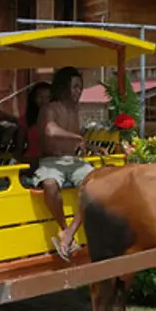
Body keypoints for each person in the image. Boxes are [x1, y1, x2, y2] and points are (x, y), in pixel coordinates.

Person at [32, 67, 104, 260]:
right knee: (49, 185)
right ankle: (64, 230)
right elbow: (50, 130)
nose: (78, 91)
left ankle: (70, 231)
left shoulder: (75, 110)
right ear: (64, 88)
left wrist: (91, 147)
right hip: (51, 161)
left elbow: (78, 141)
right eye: (75, 87)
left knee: (95, 186)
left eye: (80, 87)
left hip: (74, 161)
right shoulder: (50, 108)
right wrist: (76, 137)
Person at [15, 82, 51, 164]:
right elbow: (19, 147)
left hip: (52, 162)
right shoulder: (27, 119)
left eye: (48, 97)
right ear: (34, 98)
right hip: (31, 161)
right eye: (41, 97)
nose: (44, 100)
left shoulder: (58, 117)